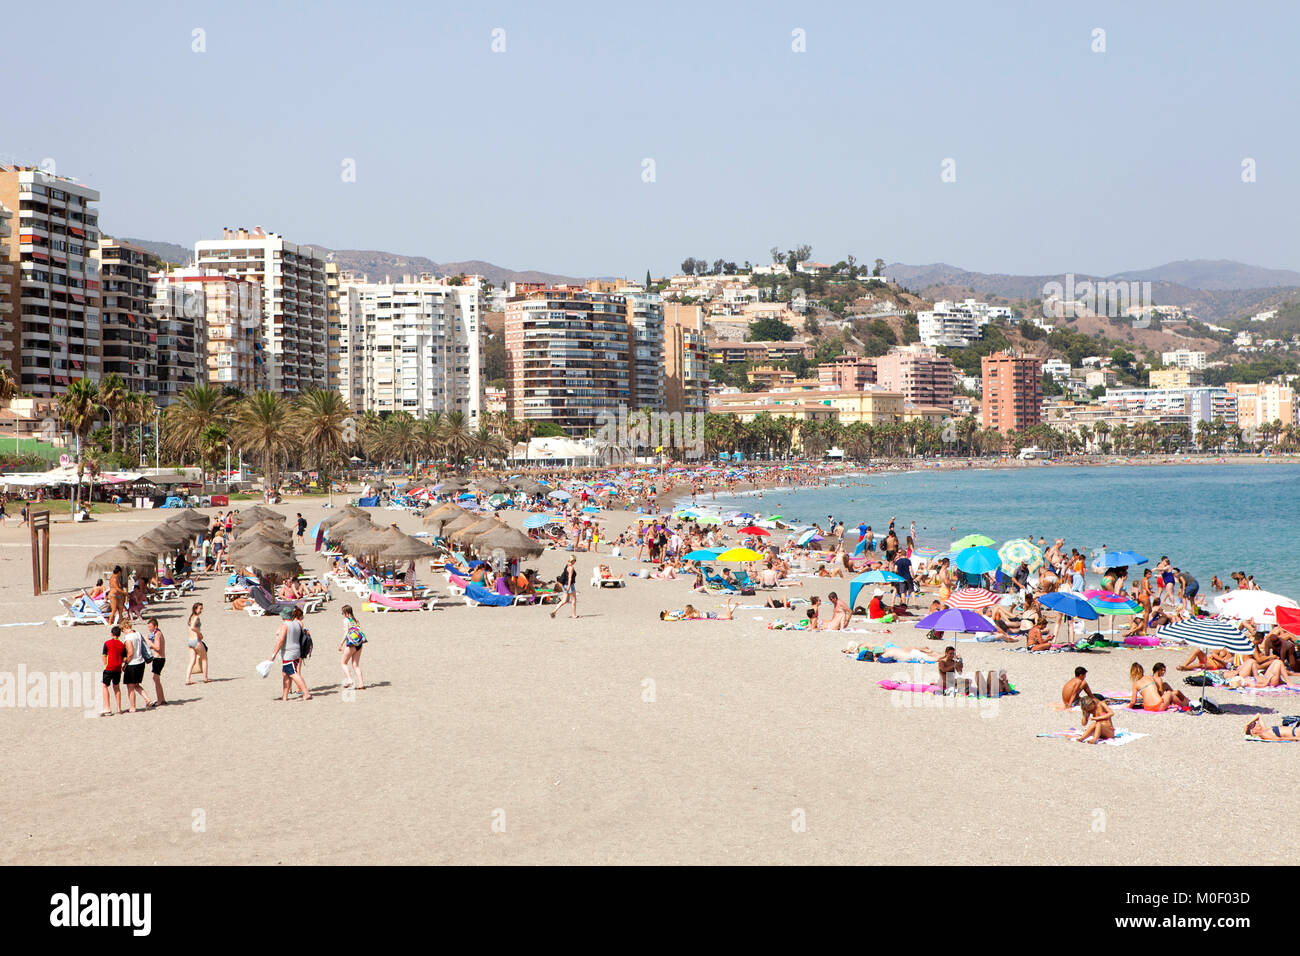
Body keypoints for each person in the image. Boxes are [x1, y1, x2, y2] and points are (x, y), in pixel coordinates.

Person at [270, 606, 312, 701]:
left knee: (293, 673)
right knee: (285, 674)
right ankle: (284, 696)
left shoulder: (285, 625)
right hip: (297, 651)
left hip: (289, 653)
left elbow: (280, 640)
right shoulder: (297, 624)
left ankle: (306, 693)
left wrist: (273, 654)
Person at [338, 604, 367, 690]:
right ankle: (361, 683)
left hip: (351, 644)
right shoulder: (356, 621)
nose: (342, 614)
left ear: (346, 613)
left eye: (342, 613)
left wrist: (341, 644)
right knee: (355, 665)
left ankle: (350, 679)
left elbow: (346, 632)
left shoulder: (346, 620)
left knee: (343, 663)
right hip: (359, 643)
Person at [101, 625, 127, 717]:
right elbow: (124, 658)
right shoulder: (122, 645)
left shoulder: (107, 643)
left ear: (111, 634)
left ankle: (108, 707)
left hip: (109, 667)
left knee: (104, 686)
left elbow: (104, 655)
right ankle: (119, 708)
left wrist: (105, 663)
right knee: (116, 687)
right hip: (118, 668)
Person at [144, 617, 167, 706]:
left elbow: (157, 647)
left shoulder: (157, 634)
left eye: (150, 627)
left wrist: (148, 641)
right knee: (156, 679)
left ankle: (160, 700)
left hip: (159, 658)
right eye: (148, 627)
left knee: (156, 679)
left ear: (155, 626)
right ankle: (162, 699)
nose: (149, 629)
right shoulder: (157, 633)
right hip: (159, 658)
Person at [185, 602, 209, 685]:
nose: (201, 610)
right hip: (196, 640)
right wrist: (199, 633)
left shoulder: (191, 617)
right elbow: (193, 627)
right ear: (195, 609)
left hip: (190, 641)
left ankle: (187, 679)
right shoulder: (196, 617)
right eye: (200, 608)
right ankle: (205, 678)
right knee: (204, 658)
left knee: (192, 661)